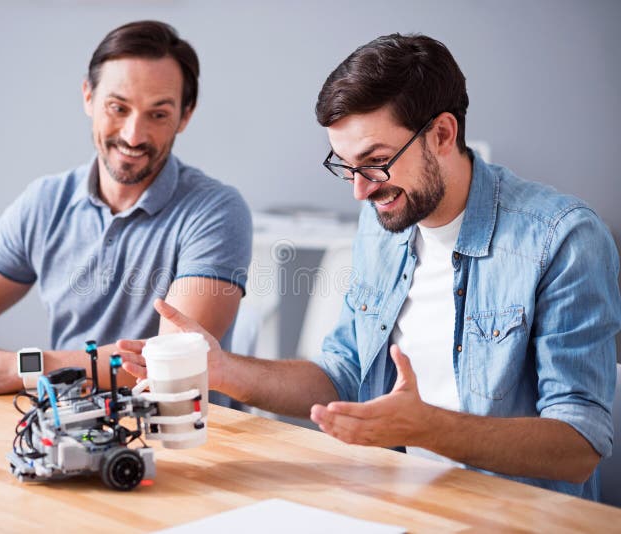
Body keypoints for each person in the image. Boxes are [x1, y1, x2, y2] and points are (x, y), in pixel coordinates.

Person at [119, 33, 621, 499]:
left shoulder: (564, 240)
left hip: (513, 514)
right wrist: (223, 370)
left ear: (443, 134)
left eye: (375, 161)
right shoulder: (383, 221)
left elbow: (579, 445)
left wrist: (426, 428)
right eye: (345, 166)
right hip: (398, 500)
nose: (359, 189)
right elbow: (345, 375)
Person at [0, 20, 252, 397]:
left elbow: (174, 358)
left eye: (158, 114)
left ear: (185, 115)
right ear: (88, 97)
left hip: (187, 433)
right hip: (68, 417)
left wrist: (21, 367)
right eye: (118, 107)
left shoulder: (215, 211)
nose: (134, 134)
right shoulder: (46, 202)